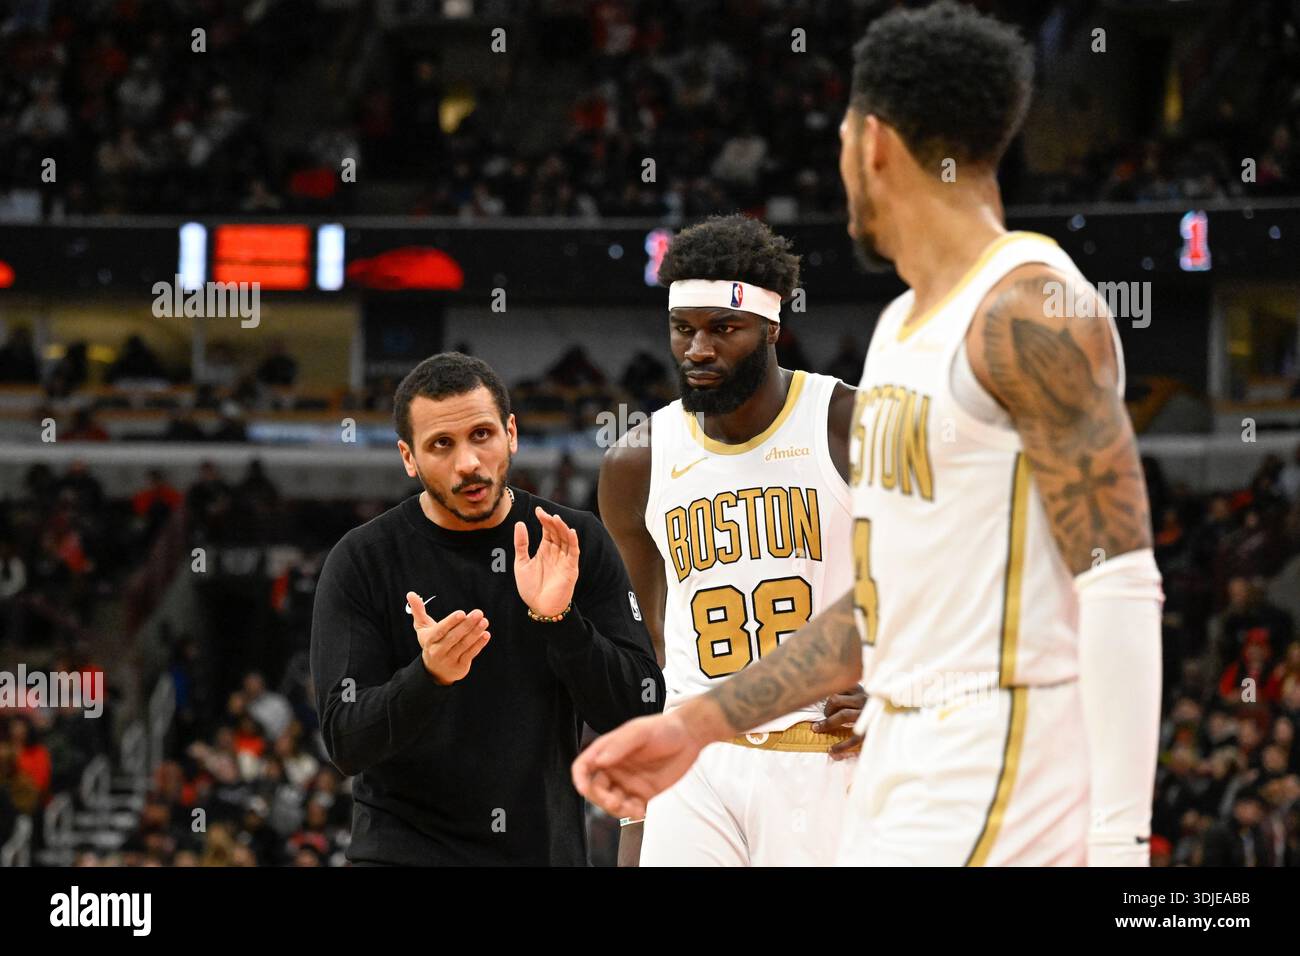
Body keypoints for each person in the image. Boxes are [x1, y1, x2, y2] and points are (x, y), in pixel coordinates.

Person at [574, 0, 1163, 867]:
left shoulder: (1029, 308)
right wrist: (696, 724)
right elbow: (883, 599)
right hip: (901, 776)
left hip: (1007, 774)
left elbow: (1118, 584)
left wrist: (1120, 841)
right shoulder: (900, 332)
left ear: (872, 141)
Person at [310, 352, 663, 865]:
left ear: (511, 433)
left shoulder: (572, 541)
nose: (468, 463)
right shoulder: (362, 560)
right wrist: (427, 677)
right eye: (441, 445)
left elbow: (641, 710)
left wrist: (561, 623)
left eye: (481, 435)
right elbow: (345, 742)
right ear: (409, 457)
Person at [599, 214, 863, 866]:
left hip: (825, 755)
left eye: (724, 328)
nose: (698, 350)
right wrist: (637, 816)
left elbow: (936, 575)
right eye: (684, 329)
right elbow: (645, 651)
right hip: (697, 763)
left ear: (772, 327)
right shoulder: (637, 460)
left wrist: (888, 686)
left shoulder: (845, 424)